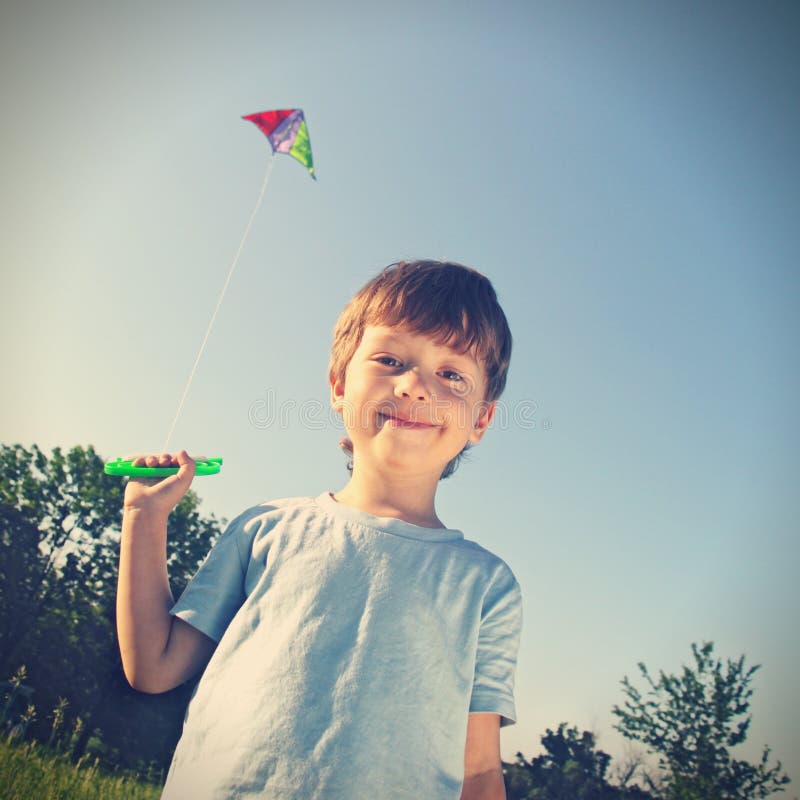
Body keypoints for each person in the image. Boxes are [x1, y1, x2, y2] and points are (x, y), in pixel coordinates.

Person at [117, 260, 523, 799]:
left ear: (480, 421)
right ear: (338, 384)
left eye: (451, 375)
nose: (415, 386)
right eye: (390, 359)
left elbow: (477, 771)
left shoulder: (486, 585)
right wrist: (144, 519)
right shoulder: (265, 529)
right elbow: (154, 666)